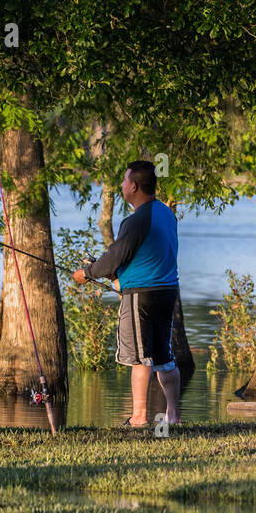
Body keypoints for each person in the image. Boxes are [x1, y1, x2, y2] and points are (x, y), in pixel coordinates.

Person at [72, 160, 180, 426]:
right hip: (166, 292)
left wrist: (87, 273)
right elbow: (146, 255)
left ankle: (139, 418)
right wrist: (117, 274)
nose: (121, 185)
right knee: (164, 358)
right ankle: (174, 417)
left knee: (140, 358)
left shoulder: (136, 220)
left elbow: (115, 256)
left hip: (141, 297)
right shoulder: (166, 213)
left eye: (124, 180)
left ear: (133, 185)